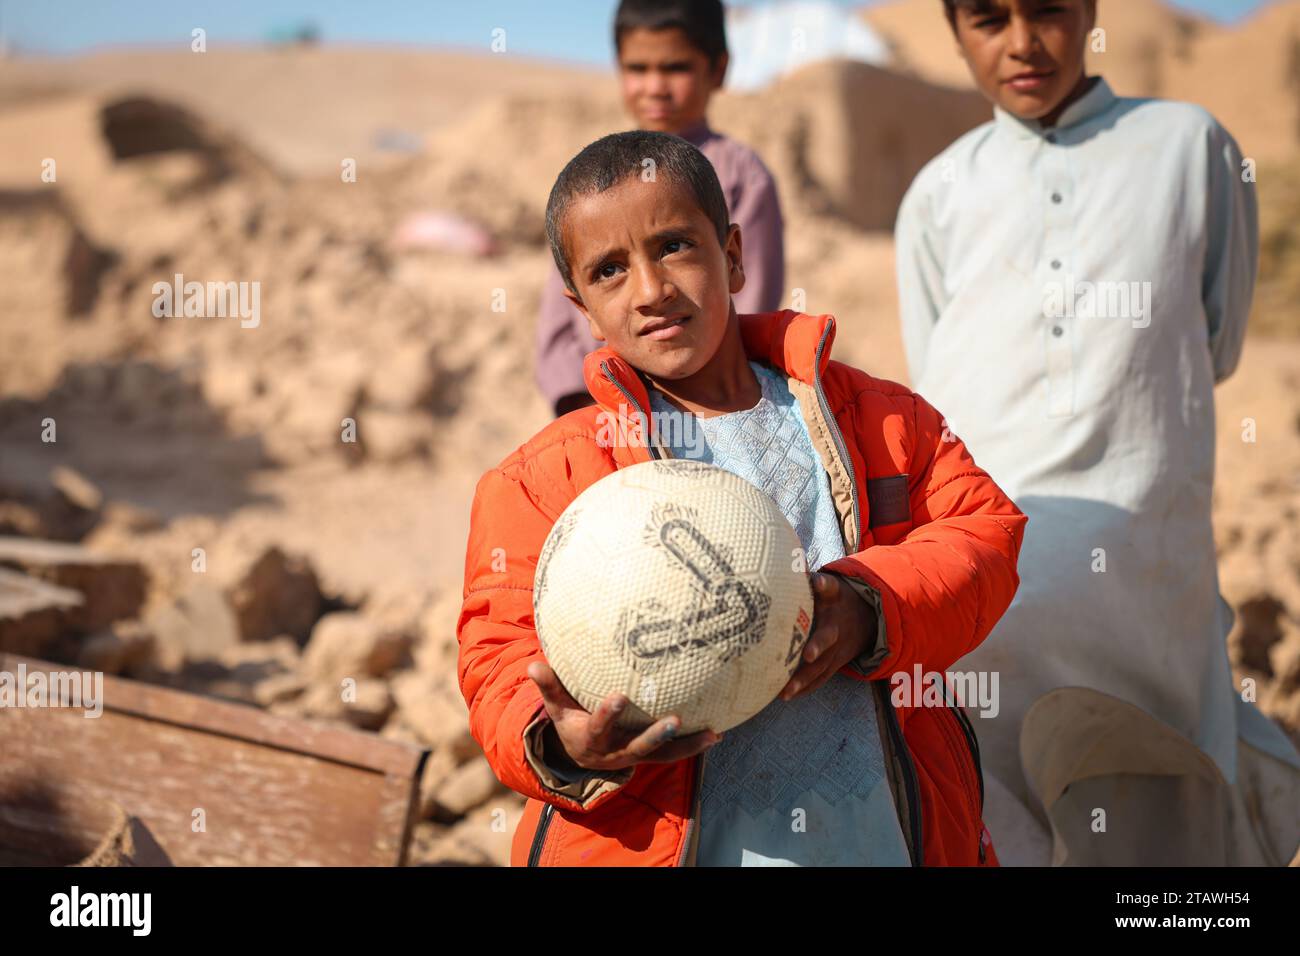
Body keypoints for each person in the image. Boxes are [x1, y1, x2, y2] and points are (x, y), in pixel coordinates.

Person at [458, 129, 1026, 866]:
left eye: (673, 246)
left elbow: (985, 534)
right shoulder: (547, 477)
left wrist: (871, 605)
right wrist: (559, 738)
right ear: (583, 311)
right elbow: (496, 650)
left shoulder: (880, 419)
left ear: (731, 255)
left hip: (880, 832)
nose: (651, 290)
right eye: (608, 270)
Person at [894, 0, 1300, 865]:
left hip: (1142, 526)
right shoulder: (937, 190)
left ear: (1088, 13)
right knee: (984, 779)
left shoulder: (1191, 147)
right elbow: (941, 378)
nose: (1021, 41)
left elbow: (1214, 341)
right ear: (954, 29)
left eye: (1045, 10)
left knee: (1156, 814)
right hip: (989, 531)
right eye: (987, 19)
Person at [535, 0, 785, 417]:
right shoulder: (590, 184)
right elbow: (560, 315)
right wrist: (588, 406)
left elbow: (752, 303)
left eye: (675, 68)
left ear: (718, 70)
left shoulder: (740, 174)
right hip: (605, 408)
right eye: (638, 69)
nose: (655, 86)